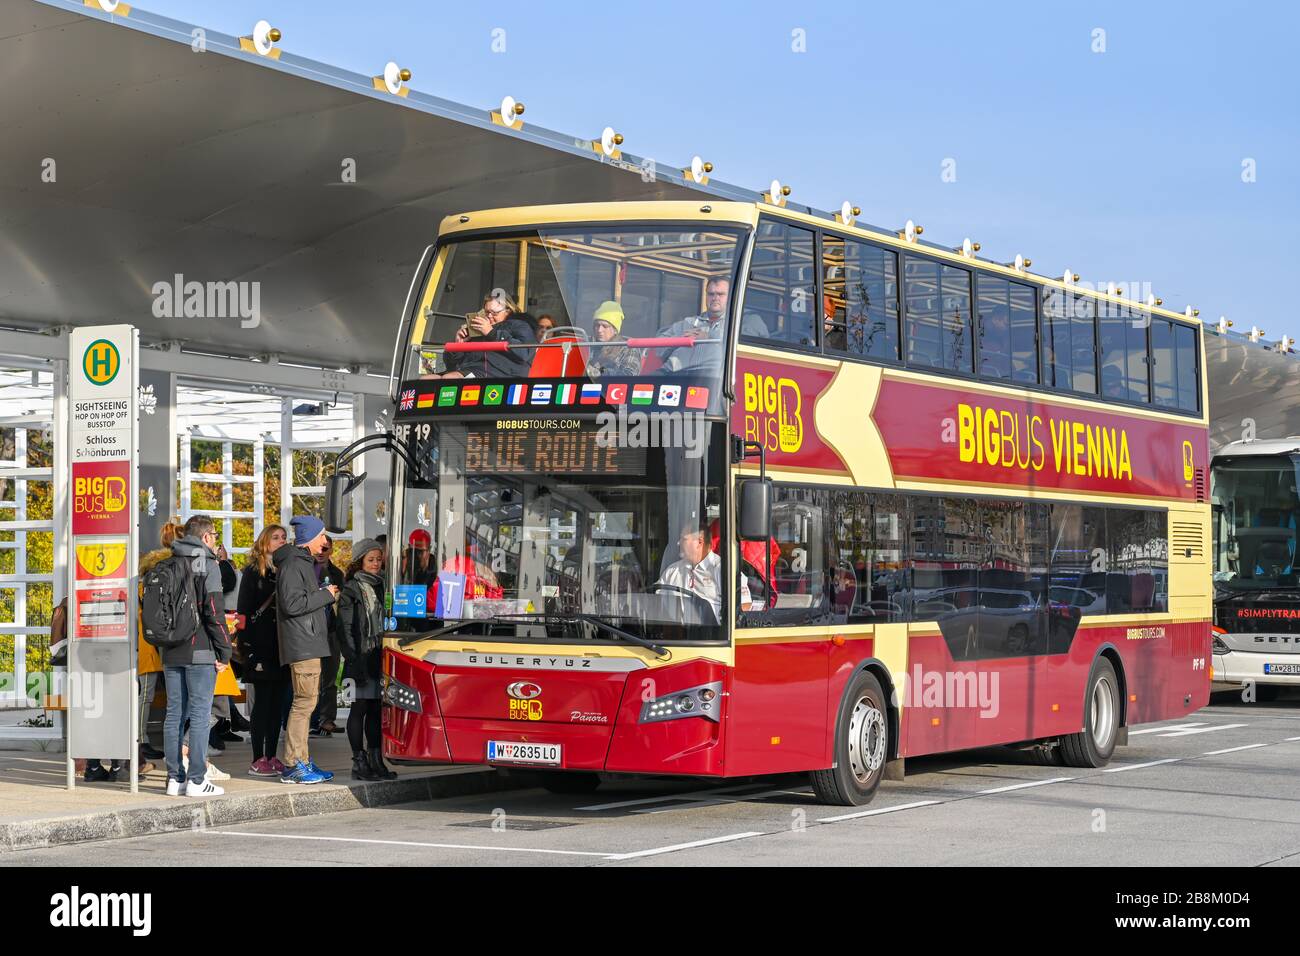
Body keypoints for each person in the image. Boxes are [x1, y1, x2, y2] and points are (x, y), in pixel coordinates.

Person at [162, 515, 234, 797]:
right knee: (201, 715)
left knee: (174, 715)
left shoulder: (167, 562)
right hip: (200, 649)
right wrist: (224, 651)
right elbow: (214, 611)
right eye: (215, 535)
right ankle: (196, 780)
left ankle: (174, 779)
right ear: (205, 538)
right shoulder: (208, 564)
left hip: (170, 649)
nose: (216, 540)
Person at [274, 515, 338, 784]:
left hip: (307, 643)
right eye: (322, 535)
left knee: (306, 704)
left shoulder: (300, 562)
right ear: (310, 537)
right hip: (303, 645)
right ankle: (293, 764)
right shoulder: (292, 563)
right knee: (303, 705)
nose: (325, 541)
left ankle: (302, 760)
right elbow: (291, 604)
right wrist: (326, 595)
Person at [337, 539, 397, 781]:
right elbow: (345, 628)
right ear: (360, 561)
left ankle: (375, 759)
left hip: (378, 656)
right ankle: (358, 761)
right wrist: (353, 658)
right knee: (359, 708)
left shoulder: (384, 586)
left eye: (378, 559)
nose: (375, 564)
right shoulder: (351, 589)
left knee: (375, 710)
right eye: (370, 559)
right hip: (359, 657)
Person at [237, 524, 289, 777]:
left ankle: (272, 755)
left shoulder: (285, 570)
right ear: (265, 541)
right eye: (275, 537)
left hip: (282, 646)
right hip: (259, 645)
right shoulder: (252, 571)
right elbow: (243, 610)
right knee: (262, 704)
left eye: (283, 538)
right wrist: (245, 646)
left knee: (277, 704)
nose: (281, 541)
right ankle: (258, 757)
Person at [655, 277, 767, 371]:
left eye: (720, 294)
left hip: (713, 380)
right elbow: (657, 349)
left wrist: (709, 336)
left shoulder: (748, 320)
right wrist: (680, 339)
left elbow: (753, 348)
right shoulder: (688, 322)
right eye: (711, 294)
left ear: (733, 296)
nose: (715, 298)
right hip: (673, 374)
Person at [424, 290, 535, 379]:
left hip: (500, 373)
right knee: (427, 379)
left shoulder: (520, 325)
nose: (489, 316)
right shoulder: (478, 330)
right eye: (487, 312)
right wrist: (458, 345)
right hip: (470, 370)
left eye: (494, 313)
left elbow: (524, 353)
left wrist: (492, 333)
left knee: (450, 378)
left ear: (508, 311)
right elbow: (451, 365)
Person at [312, 535, 346, 737]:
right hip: (312, 631)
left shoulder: (337, 574)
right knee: (311, 677)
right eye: (320, 548)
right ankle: (312, 719)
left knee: (330, 677)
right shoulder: (306, 570)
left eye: (327, 549)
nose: (322, 552)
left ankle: (327, 719)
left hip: (331, 630)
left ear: (331, 551)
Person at [656, 526, 724, 621]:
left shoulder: (721, 569)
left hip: (712, 633)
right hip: (676, 632)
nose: (678, 543)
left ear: (700, 542)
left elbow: (744, 604)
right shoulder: (672, 570)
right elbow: (655, 600)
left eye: (684, 539)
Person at [585, 300, 642, 378]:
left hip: (611, 388)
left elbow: (629, 375)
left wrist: (601, 372)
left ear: (615, 330)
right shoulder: (587, 344)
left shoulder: (628, 347)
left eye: (604, 326)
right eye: (597, 325)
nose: (599, 330)